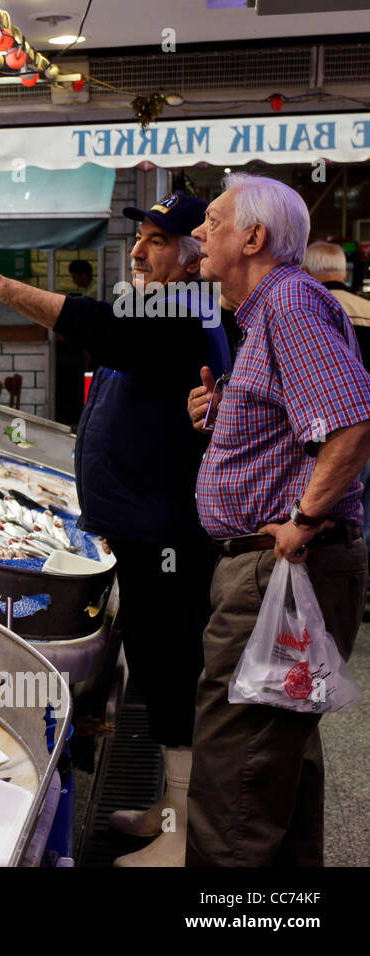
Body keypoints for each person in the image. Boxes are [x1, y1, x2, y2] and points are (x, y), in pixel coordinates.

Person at [0, 191, 226, 867]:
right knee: (158, 672)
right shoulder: (173, 307)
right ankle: (169, 813)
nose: (138, 250)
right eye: (142, 237)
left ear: (194, 258)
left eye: (158, 240)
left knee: (171, 670)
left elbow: (94, 323)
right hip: (138, 527)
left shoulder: (186, 309)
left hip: (166, 534)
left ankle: (184, 837)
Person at [185, 173, 370, 866]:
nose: (199, 234)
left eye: (212, 220)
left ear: (253, 237)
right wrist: (225, 409)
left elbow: (350, 426)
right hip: (277, 568)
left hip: (284, 568)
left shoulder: (289, 303)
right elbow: (303, 424)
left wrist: (302, 519)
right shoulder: (265, 314)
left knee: (237, 780)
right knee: (275, 769)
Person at [302, 240, 370, 610]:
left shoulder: (309, 309)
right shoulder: (367, 308)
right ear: (343, 270)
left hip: (332, 435)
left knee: (336, 515)